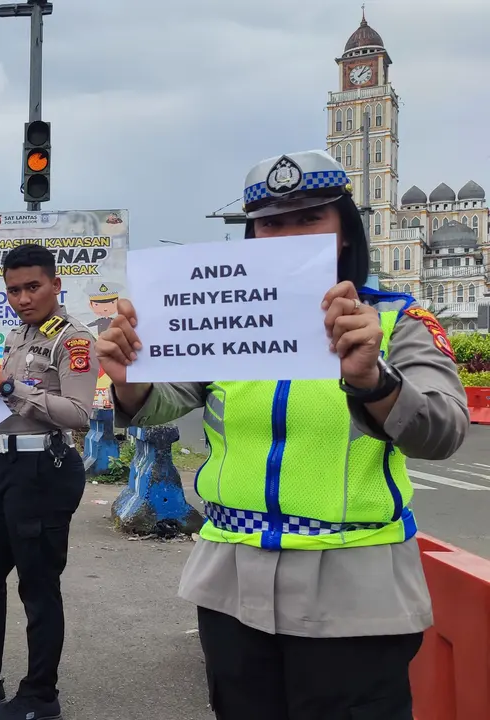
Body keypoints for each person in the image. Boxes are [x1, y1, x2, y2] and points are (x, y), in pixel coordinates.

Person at [96, 149, 470, 720]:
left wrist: (373, 378)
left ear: (344, 232)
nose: (288, 236)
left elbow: (442, 432)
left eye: (309, 219)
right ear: (251, 236)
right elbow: (166, 401)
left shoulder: (396, 322)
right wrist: (128, 382)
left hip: (355, 588)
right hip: (231, 581)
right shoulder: (220, 319)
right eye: (271, 223)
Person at [0, 243, 97, 720]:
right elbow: (6, 407)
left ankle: (40, 697)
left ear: (55, 284)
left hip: (45, 471)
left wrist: (9, 386)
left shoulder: (74, 340)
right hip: (7, 470)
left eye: (32, 287)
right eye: (13, 289)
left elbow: (80, 415)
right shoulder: (17, 337)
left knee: (37, 584)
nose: (23, 297)